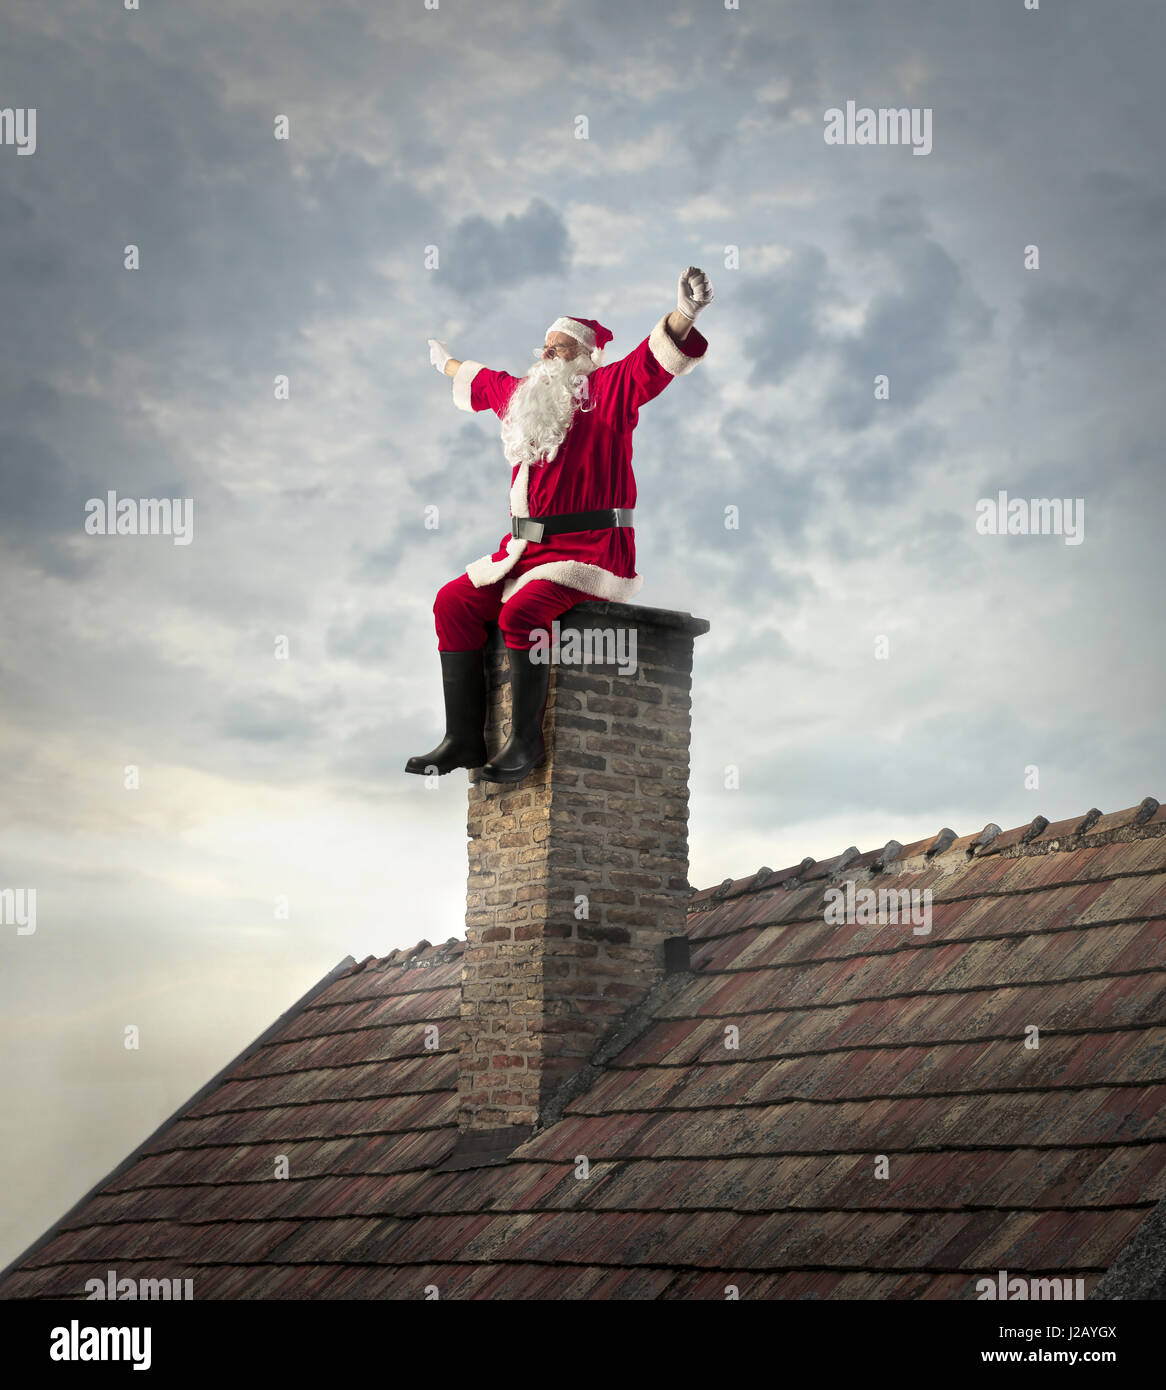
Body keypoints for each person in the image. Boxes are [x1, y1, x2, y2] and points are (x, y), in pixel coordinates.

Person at [406, 266, 714, 784]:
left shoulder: (611, 389)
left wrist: (684, 316)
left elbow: (650, 362)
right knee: (452, 602)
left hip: (590, 549)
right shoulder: (524, 397)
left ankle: (525, 743)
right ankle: (462, 738)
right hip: (523, 551)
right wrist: (446, 363)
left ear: (587, 356)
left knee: (522, 613)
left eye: (560, 348)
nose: (546, 356)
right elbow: (484, 381)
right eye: (545, 348)